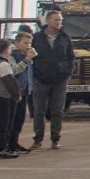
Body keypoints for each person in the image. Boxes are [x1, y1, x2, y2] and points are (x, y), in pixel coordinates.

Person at [28, 8, 73, 150]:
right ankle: (38, 139)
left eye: (60, 20)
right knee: (39, 111)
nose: (59, 22)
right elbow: (30, 58)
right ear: (47, 21)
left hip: (60, 80)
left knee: (58, 111)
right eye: (56, 19)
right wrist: (35, 75)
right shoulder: (36, 38)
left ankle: (55, 139)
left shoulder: (65, 38)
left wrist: (67, 74)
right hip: (40, 79)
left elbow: (71, 57)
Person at [8, 28, 34, 148]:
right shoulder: (12, 55)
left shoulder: (26, 55)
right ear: (16, 43)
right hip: (14, 92)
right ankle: (8, 143)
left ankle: (14, 142)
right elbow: (14, 70)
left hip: (25, 91)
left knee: (20, 120)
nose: (27, 46)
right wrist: (26, 59)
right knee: (12, 119)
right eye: (25, 43)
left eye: (29, 43)